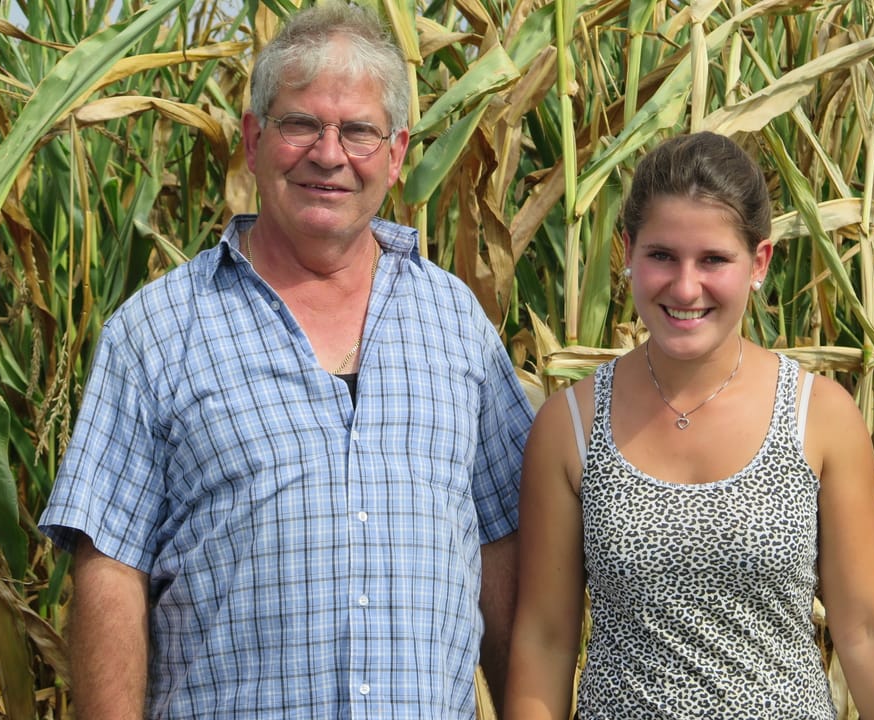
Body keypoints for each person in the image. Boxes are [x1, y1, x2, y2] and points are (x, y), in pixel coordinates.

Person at [38, 3, 533, 718]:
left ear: (396, 154)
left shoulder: (456, 324)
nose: (328, 155)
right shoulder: (156, 331)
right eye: (301, 124)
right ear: (253, 139)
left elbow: (503, 547)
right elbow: (110, 568)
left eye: (358, 131)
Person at [504, 132, 874, 719]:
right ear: (627, 252)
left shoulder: (819, 416)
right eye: (661, 256)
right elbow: (545, 638)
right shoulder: (571, 426)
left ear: (759, 263)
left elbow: (868, 628)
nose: (685, 287)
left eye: (713, 260)